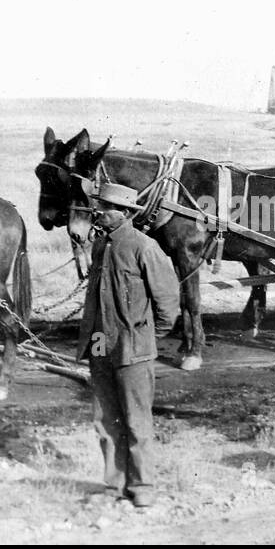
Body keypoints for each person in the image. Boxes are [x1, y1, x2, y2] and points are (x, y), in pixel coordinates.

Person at [77, 183, 181, 508]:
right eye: (99, 205)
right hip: (99, 349)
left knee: (137, 421)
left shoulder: (143, 247)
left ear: (124, 213)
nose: (99, 211)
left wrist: (146, 338)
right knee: (105, 420)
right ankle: (114, 485)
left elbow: (167, 302)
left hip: (133, 351)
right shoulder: (99, 246)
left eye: (106, 207)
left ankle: (142, 486)